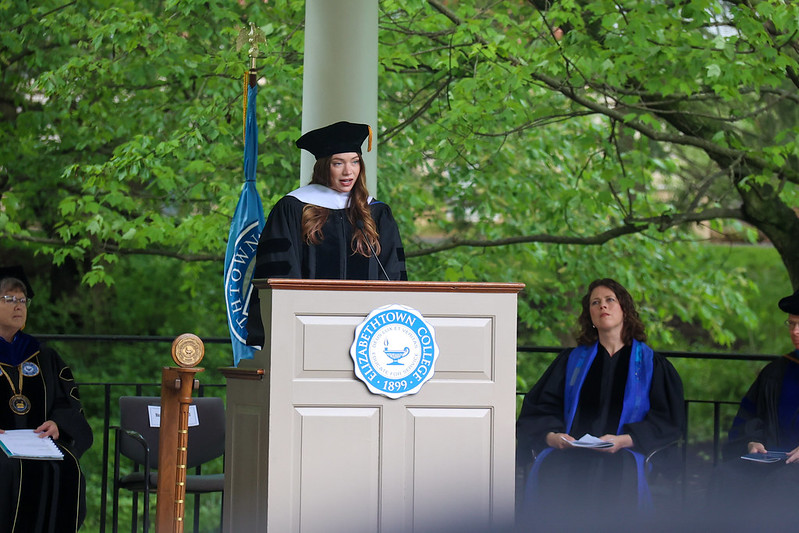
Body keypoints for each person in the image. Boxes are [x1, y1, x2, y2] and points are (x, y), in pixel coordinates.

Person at [515, 278, 684, 526]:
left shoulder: (650, 364)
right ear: (591, 317)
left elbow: (667, 419)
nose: (602, 306)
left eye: (609, 300)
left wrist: (624, 440)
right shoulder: (572, 361)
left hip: (624, 452)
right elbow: (541, 405)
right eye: (595, 303)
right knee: (553, 466)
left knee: (620, 473)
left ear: (624, 309)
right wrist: (552, 437)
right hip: (571, 451)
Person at [247, 121, 407, 346]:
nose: (348, 171)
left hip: (369, 336)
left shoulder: (376, 213)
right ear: (324, 167)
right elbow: (280, 274)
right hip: (307, 332)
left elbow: (393, 275)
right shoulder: (294, 209)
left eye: (354, 162)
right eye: (337, 163)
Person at [0, 265, 93, 532]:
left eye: (22, 300)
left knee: (65, 465)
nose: (18, 306)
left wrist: (57, 424)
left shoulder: (45, 357)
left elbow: (67, 405)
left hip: (39, 444)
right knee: (8, 469)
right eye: (9, 299)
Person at [710, 287, 799, 525]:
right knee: (726, 476)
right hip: (772, 461)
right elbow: (748, 417)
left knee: (780, 487)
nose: (796, 331)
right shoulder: (777, 372)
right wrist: (751, 440)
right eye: (791, 324)